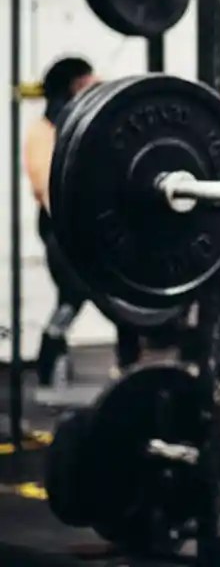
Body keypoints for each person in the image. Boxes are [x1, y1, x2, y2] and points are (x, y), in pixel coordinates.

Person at [23, 57, 97, 386]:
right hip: (62, 227)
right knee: (73, 294)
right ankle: (50, 362)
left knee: (92, 298)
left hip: (87, 223)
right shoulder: (43, 132)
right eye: (85, 84)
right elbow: (45, 187)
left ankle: (128, 364)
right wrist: (72, 225)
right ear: (71, 87)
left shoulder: (85, 126)